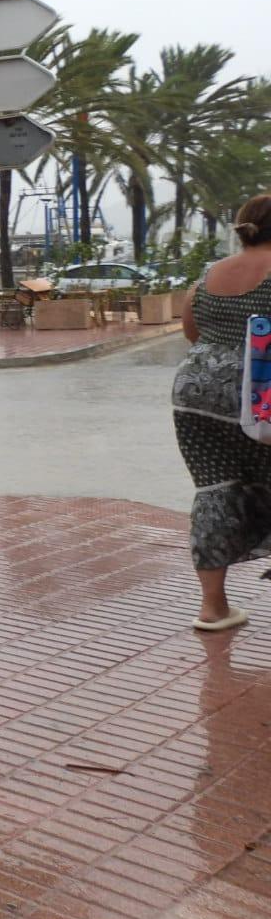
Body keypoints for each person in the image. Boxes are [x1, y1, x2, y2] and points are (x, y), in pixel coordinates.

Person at [173, 194, 271, 631]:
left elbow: (192, 330)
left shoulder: (209, 273)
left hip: (196, 393)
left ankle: (213, 608)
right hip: (262, 394)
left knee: (215, 489)